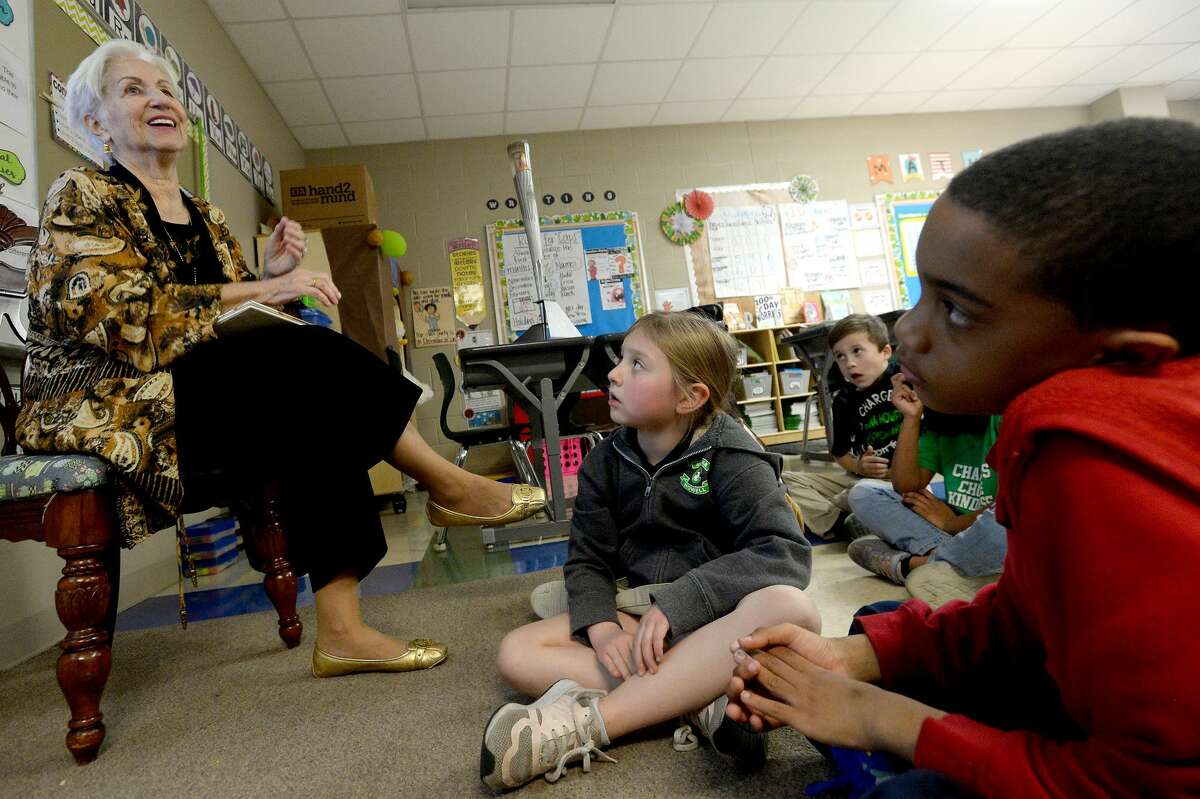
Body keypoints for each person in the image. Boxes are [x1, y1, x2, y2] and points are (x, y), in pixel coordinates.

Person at [16, 40, 545, 679]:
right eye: (133, 89)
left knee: (308, 399)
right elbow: (121, 315)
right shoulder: (81, 193)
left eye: (167, 89)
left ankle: (347, 628)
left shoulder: (207, 218)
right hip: (110, 404)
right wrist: (265, 288)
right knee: (305, 385)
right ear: (95, 122)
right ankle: (446, 486)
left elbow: (246, 321)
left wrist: (269, 276)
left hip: (204, 399)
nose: (160, 99)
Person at [723, 118, 1200, 798]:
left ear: (1118, 352)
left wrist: (881, 717)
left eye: (958, 310)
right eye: (922, 293)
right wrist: (856, 658)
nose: (907, 331)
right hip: (1084, 695)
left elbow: (1138, 784)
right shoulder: (1083, 423)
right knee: (877, 633)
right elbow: (1024, 616)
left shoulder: (1094, 461)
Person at [479, 311, 818, 790]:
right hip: (641, 613)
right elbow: (589, 559)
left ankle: (614, 714)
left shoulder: (734, 455)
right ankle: (700, 693)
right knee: (516, 651)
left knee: (793, 607)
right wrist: (601, 628)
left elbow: (783, 553)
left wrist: (679, 605)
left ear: (689, 397)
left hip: (717, 615)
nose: (615, 373)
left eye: (638, 365)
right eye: (622, 360)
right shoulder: (603, 462)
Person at [845, 376, 1006, 591]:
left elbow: (1008, 507)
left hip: (989, 525)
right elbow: (906, 486)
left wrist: (950, 524)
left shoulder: (1003, 416)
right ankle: (959, 562)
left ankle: (912, 566)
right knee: (864, 493)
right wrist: (911, 418)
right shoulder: (943, 419)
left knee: (1010, 519)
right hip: (954, 526)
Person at [782, 314, 904, 538]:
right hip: (863, 480)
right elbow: (839, 453)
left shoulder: (904, 380)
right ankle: (839, 524)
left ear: (885, 351)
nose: (850, 363)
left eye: (857, 351)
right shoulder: (843, 400)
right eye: (840, 356)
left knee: (858, 493)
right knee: (785, 479)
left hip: (904, 482)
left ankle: (846, 512)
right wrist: (859, 466)